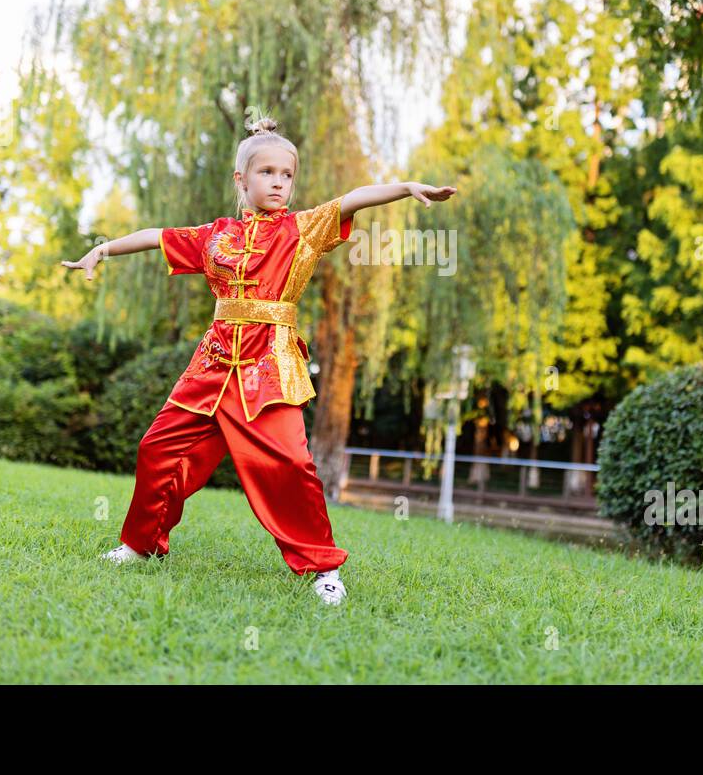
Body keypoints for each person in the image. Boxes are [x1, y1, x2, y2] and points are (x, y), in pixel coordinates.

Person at [61, 115, 456, 604]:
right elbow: (157, 235)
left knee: (290, 464)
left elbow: (352, 198)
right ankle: (140, 545)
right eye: (267, 172)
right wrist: (103, 248)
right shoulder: (215, 236)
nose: (278, 182)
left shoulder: (303, 230)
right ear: (241, 179)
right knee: (157, 449)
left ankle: (323, 570)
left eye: (286, 175)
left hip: (268, 368)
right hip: (211, 365)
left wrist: (404, 187)